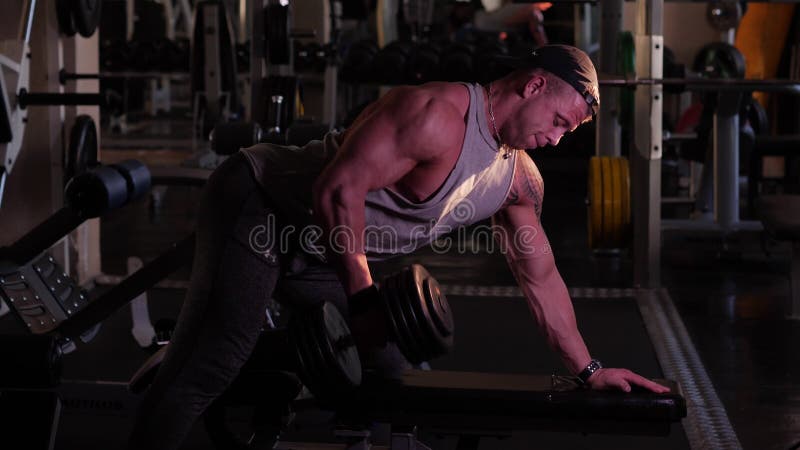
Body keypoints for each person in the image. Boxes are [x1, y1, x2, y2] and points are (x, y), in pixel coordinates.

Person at [127, 45, 670, 450]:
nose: (557, 139)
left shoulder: (518, 182)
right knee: (209, 368)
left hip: (322, 248)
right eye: (558, 122)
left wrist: (589, 368)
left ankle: (232, 346)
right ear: (531, 86)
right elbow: (336, 191)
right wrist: (363, 301)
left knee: (390, 371)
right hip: (262, 205)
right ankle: (197, 356)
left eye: (567, 134)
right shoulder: (437, 115)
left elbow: (541, 278)